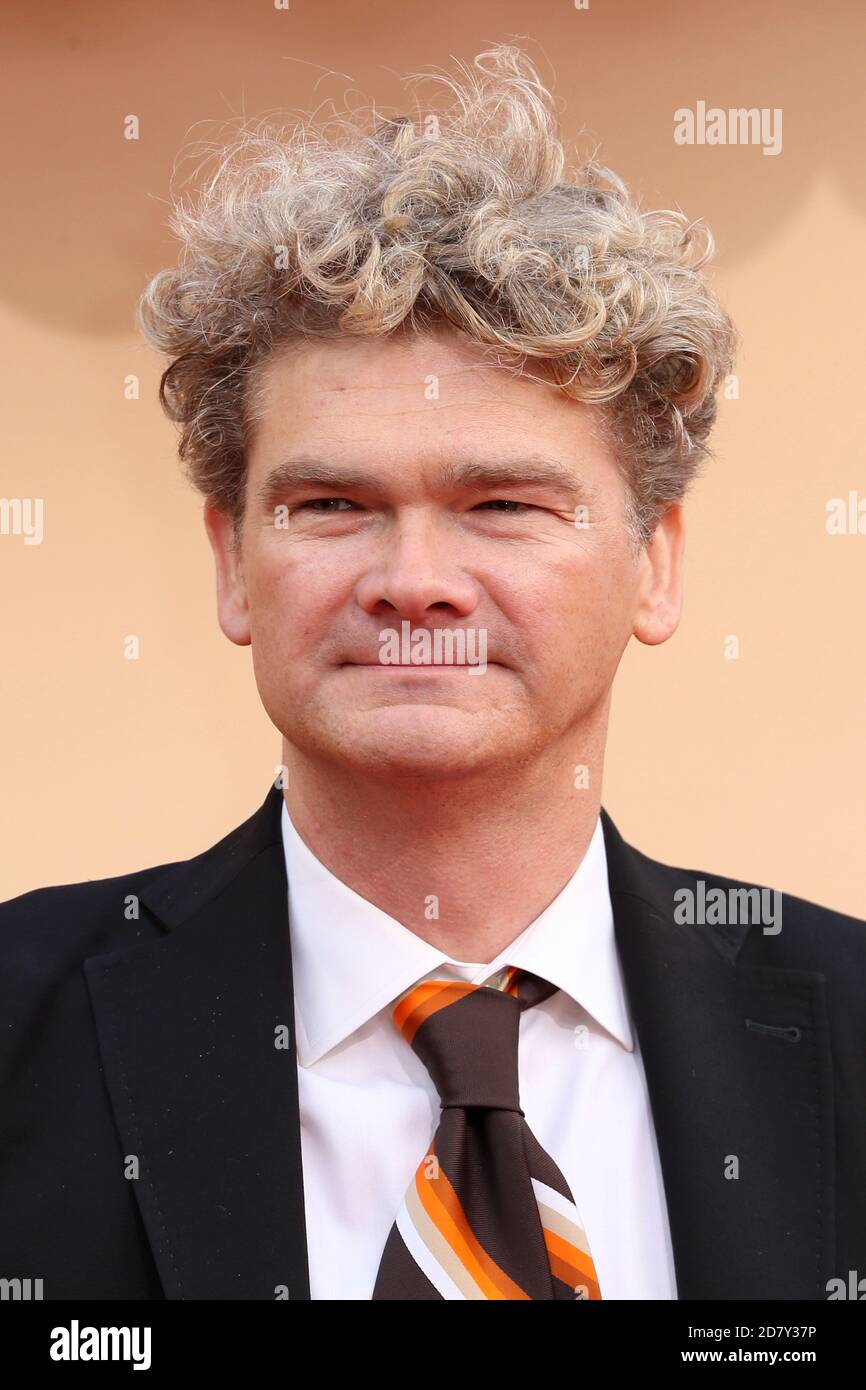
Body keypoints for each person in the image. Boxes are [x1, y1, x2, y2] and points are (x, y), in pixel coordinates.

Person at [2, 43, 864, 1302]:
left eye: (502, 502)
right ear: (233, 565)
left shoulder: (846, 1028)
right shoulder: (19, 1028)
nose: (414, 578)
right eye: (333, 503)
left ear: (653, 565)